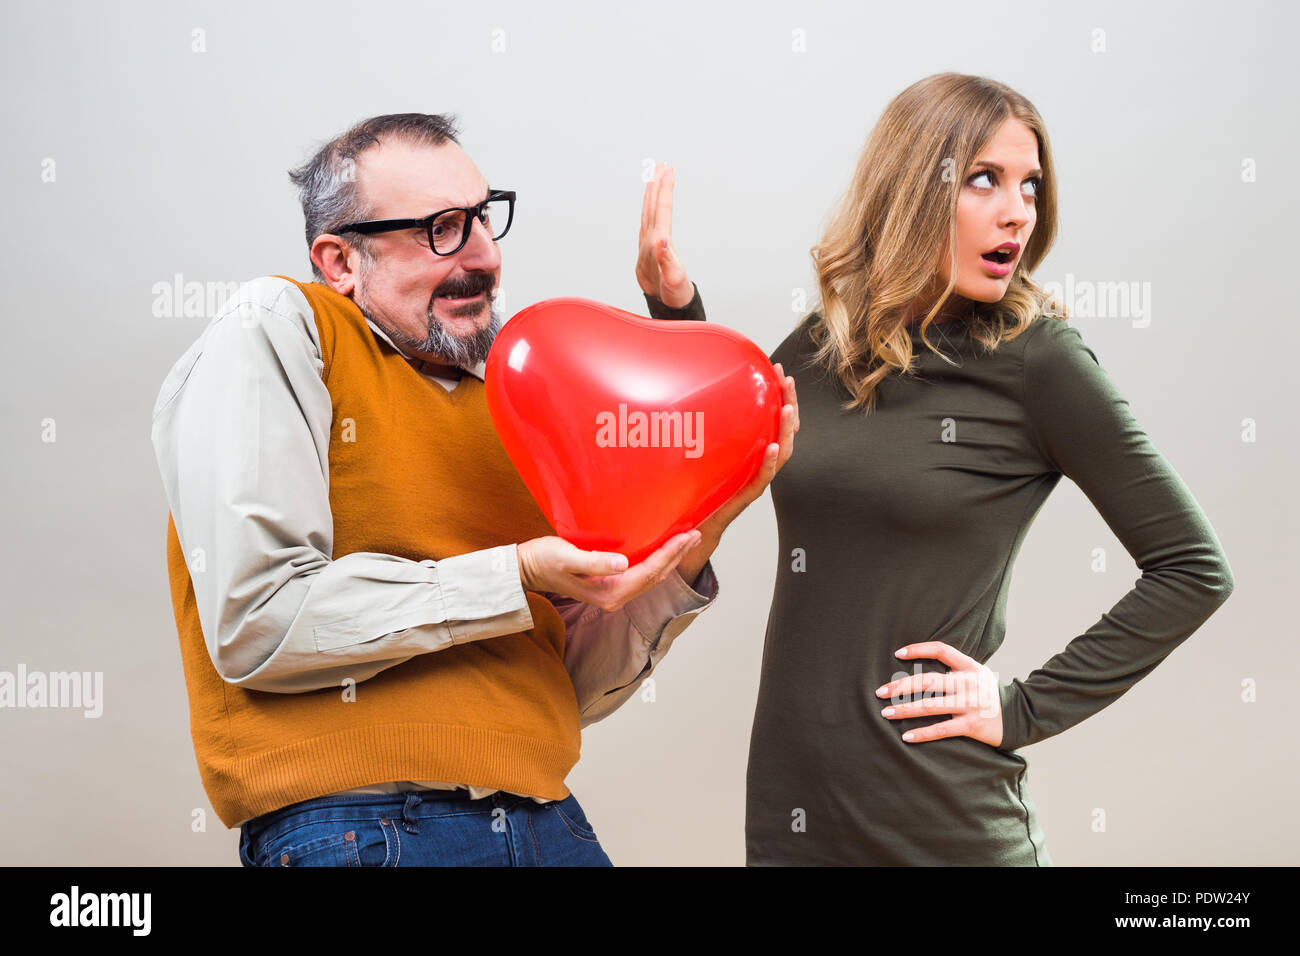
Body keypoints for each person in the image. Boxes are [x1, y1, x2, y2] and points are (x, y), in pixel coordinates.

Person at [149, 113, 797, 866]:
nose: (485, 257)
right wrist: (514, 573)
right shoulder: (283, 326)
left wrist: (695, 539)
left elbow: (570, 687)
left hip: (548, 821)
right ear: (339, 261)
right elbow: (256, 619)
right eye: (441, 229)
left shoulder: (514, 394)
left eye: (484, 219)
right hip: (362, 828)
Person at [742, 73, 1234, 865]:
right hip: (792, 813)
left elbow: (1193, 569)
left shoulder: (1038, 361)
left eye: (1030, 186)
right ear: (910, 189)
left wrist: (1024, 707)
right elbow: (717, 460)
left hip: (942, 825)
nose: (1018, 212)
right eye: (985, 180)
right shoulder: (818, 346)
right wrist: (677, 315)